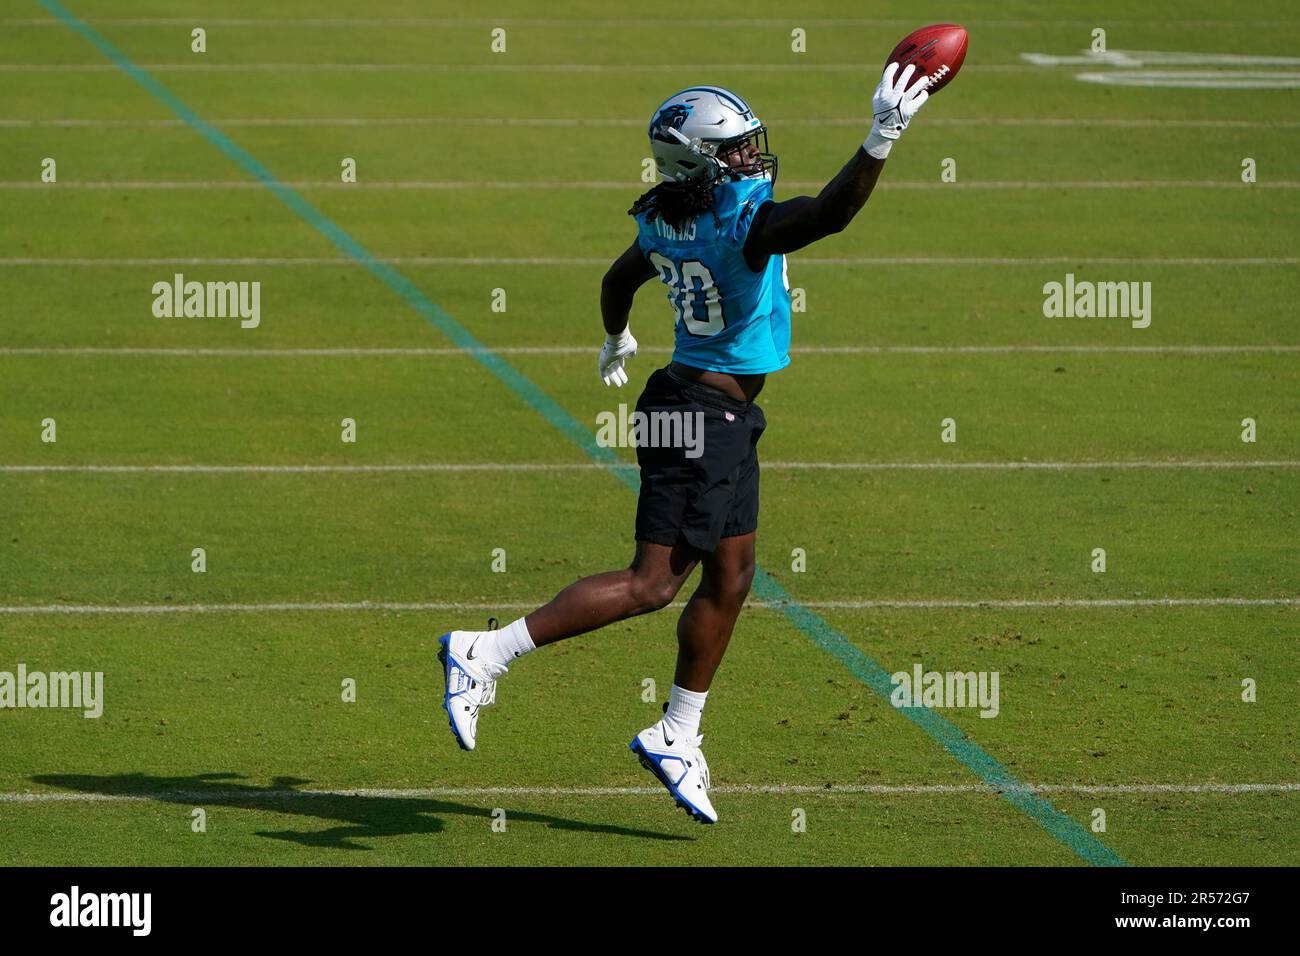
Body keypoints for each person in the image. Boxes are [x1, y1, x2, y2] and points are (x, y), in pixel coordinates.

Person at [439, 64, 931, 823]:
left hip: (706, 411)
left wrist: (616, 336)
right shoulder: (740, 222)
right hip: (700, 418)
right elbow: (830, 214)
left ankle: (677, 732)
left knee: (732, 576)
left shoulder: (666, 213)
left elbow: (617, 279)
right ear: (700, 160)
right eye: (734, 150)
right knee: (652, 583)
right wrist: (881, 137)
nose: (749, 158)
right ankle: (485, 652)